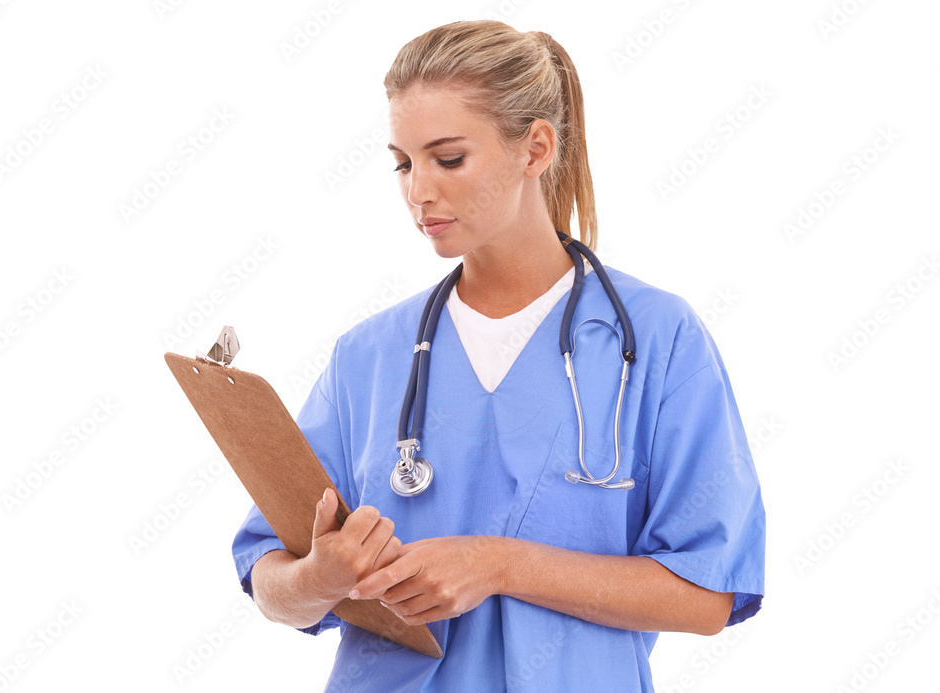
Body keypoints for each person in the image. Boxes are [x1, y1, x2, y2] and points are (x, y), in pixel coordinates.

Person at [231, 19, 765, 692]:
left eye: (448, 158)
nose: (418, 190)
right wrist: (318, 576)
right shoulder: (369, 357)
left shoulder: (657, 340)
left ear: (536, 147)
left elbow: (708, 592)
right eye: (403, 162)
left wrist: (498, 564)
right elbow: (271, 579)